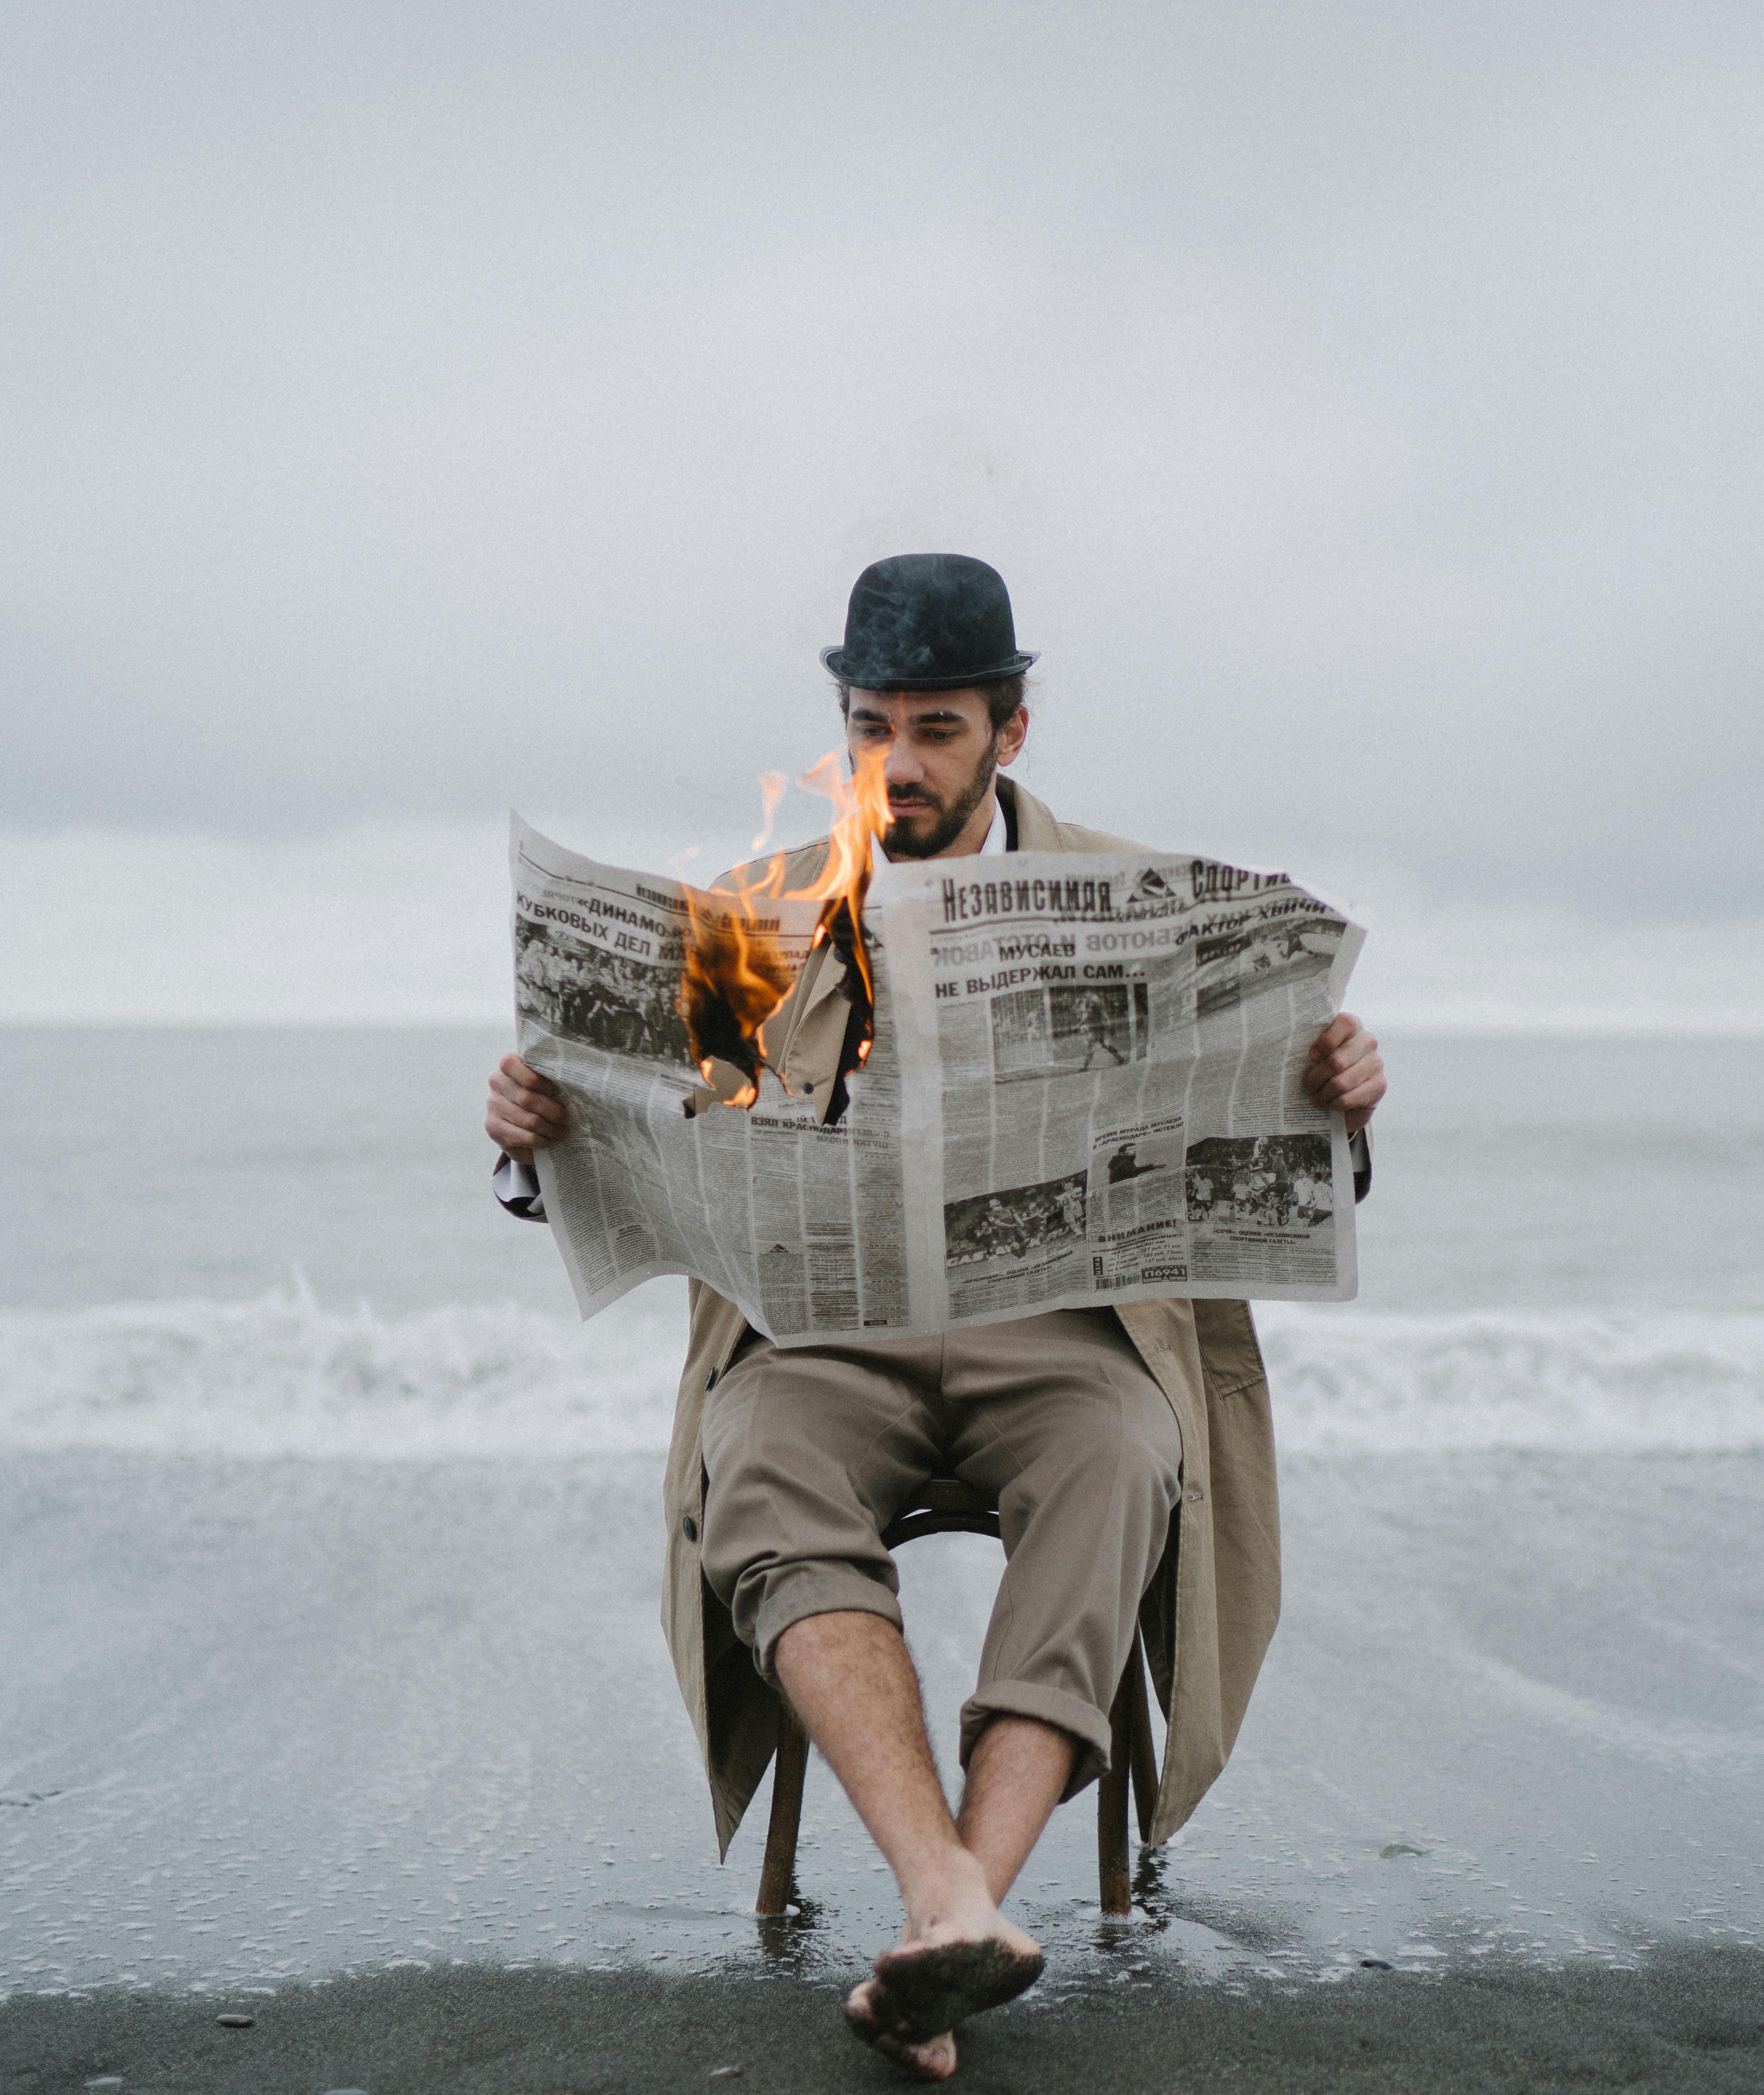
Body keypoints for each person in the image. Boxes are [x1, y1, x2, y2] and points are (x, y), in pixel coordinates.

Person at [483, 554, 1385, 2079]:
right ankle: (946, 1896)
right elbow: (651, 1153)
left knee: (1122, 1459)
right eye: (873, 723)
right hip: (823, 1348)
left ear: (1010, 733)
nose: (898, 761)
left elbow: (1264, 1171)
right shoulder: (749, 927)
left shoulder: (1140, 904)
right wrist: (537, 1133)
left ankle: (964, 1906)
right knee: (752, 1461)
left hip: (1065, 1345)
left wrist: (1340, 1104)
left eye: (939, 728)